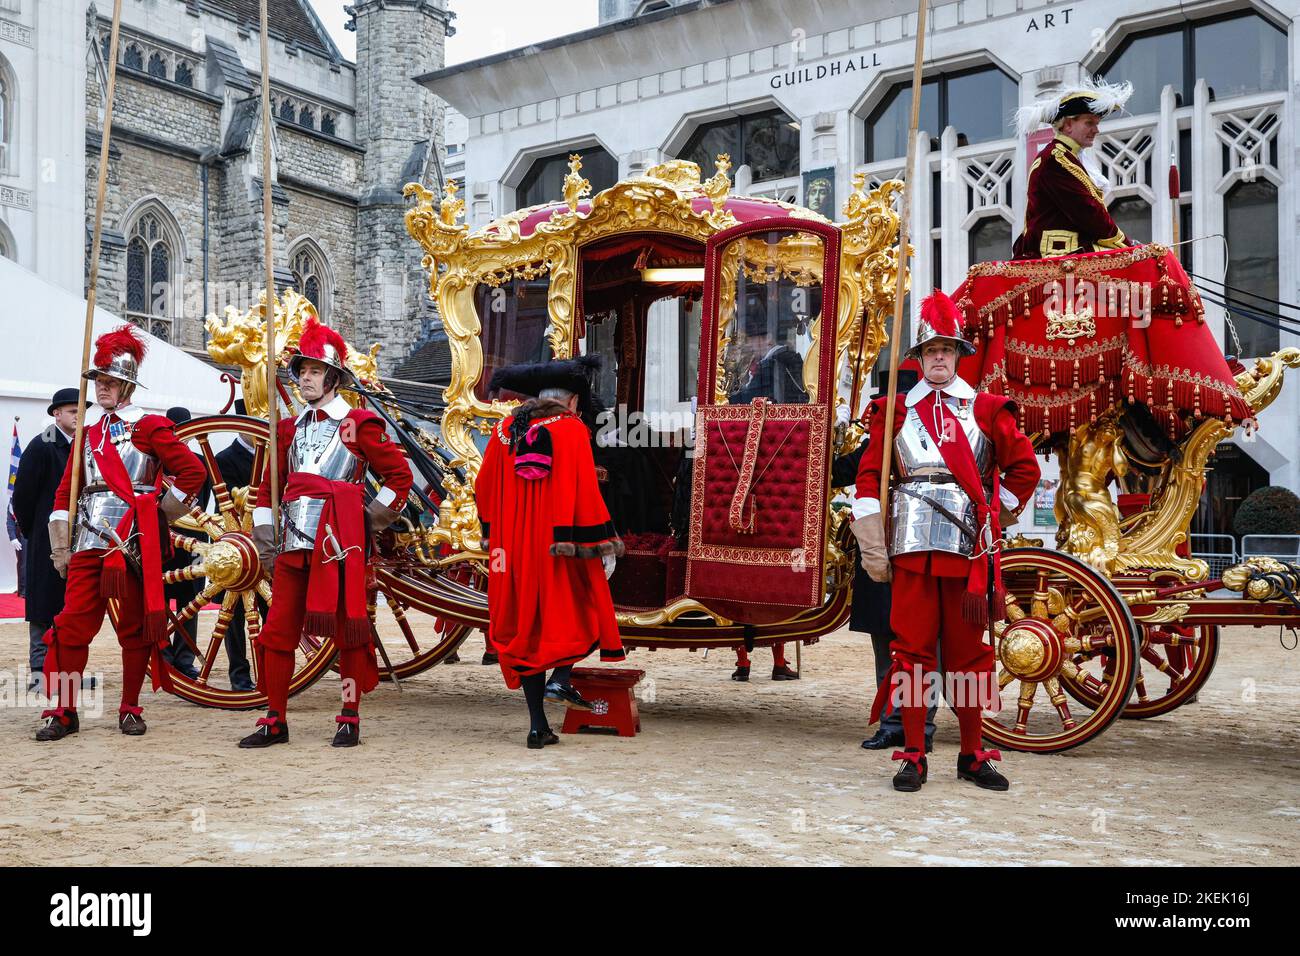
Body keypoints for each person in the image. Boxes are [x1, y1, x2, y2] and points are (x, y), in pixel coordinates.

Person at [851, 292, 1039, 791]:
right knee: (911, 652)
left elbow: (1024, 470)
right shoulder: (891, 411)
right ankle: (913, 753)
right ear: (918, 357)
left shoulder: (987, 408)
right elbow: (870, 478)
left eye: (947, 350)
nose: (938, 357)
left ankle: (973, 755)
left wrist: (995, 517)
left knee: (968, 657)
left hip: (968, 554)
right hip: (910, 549)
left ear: (958, 356)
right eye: (930, 350)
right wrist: (872, 538)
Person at [239, 317, 411, 748]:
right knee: (278, 632)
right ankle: (274, 718)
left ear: (332, 377)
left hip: (340, 548)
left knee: (350, 632)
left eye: (314, 371)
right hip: (294, 545)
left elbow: (398, 477)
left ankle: (349, 716)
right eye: (301, 371)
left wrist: (364, 520)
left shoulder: (359, 423)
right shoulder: (287, 429)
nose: (305, 378)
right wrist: (265, 544)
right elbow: (266, 492)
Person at [36, 326, 207, 741]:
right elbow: (65, 492)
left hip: (134, 543)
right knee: (70, 627)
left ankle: (130, 707)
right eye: (98, 381)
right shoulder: (88, 434)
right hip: (90, 540)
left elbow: (192, 472)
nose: (102, 389)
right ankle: (64, 710)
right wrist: (61, 545)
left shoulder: (150, 426)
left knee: (134, 627)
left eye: (110, 382)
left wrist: (158, 513)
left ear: (128, 384)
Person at [475, 354, 626, 749]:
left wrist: (492, 535)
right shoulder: (571, 429)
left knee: (526, 628)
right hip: (556, 547)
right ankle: (561, 678)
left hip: (511, 549)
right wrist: (601, 543)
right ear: (573, 400)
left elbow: (484, 487)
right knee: (578, 611)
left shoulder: (505, 429)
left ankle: (537, 725)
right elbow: (584, 492)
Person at [840, 367, 939, 752]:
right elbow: (841, 471)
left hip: (927, 545)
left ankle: (921, 724)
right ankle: (892, 723)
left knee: (927, 646)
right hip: (885, 547)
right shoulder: (878, 441)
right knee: (887, 644)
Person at [1012, 77, 1134, 260]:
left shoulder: (1066, 156)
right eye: (1089, 123)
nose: (1096, 130)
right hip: (1057, 253)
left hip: (1071, 249)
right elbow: (1089, 213)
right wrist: (1128, 246)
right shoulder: (1056, 159)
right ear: (1068, 124)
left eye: (1097, 123)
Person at [12, 389, 83, 690]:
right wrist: (34, 532)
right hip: (44, 536)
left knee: (69, 604)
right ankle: (40, 671)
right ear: (56, 414)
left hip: (75, 538)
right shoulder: (42, 446)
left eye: (81, 411)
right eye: (72, 411)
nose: (78, 416)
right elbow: (22, 497)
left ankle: (65, 671)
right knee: (43, 605)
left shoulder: (81, 446)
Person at [160, 406, 208, 681]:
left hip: (195, 540)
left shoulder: (201, 460)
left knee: (191, 603)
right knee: (163, 601)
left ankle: (184, 658)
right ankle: (163, 654)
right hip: (164, 537)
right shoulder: (157, 460)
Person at [213, 400, 258, 691]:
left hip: (265, 542)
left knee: (268, 611)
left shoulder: (271, 456)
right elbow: (224, 504)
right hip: (236, 544)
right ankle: (239, 675)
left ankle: (268, 670)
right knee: (234, 618)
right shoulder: (224, 458)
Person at [7, 500, 24, 596]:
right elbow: (10, 520)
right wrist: (13, 537)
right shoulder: (13, 500)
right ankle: (23, 590)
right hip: (21, 532)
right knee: (23, 562)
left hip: (35, 531)